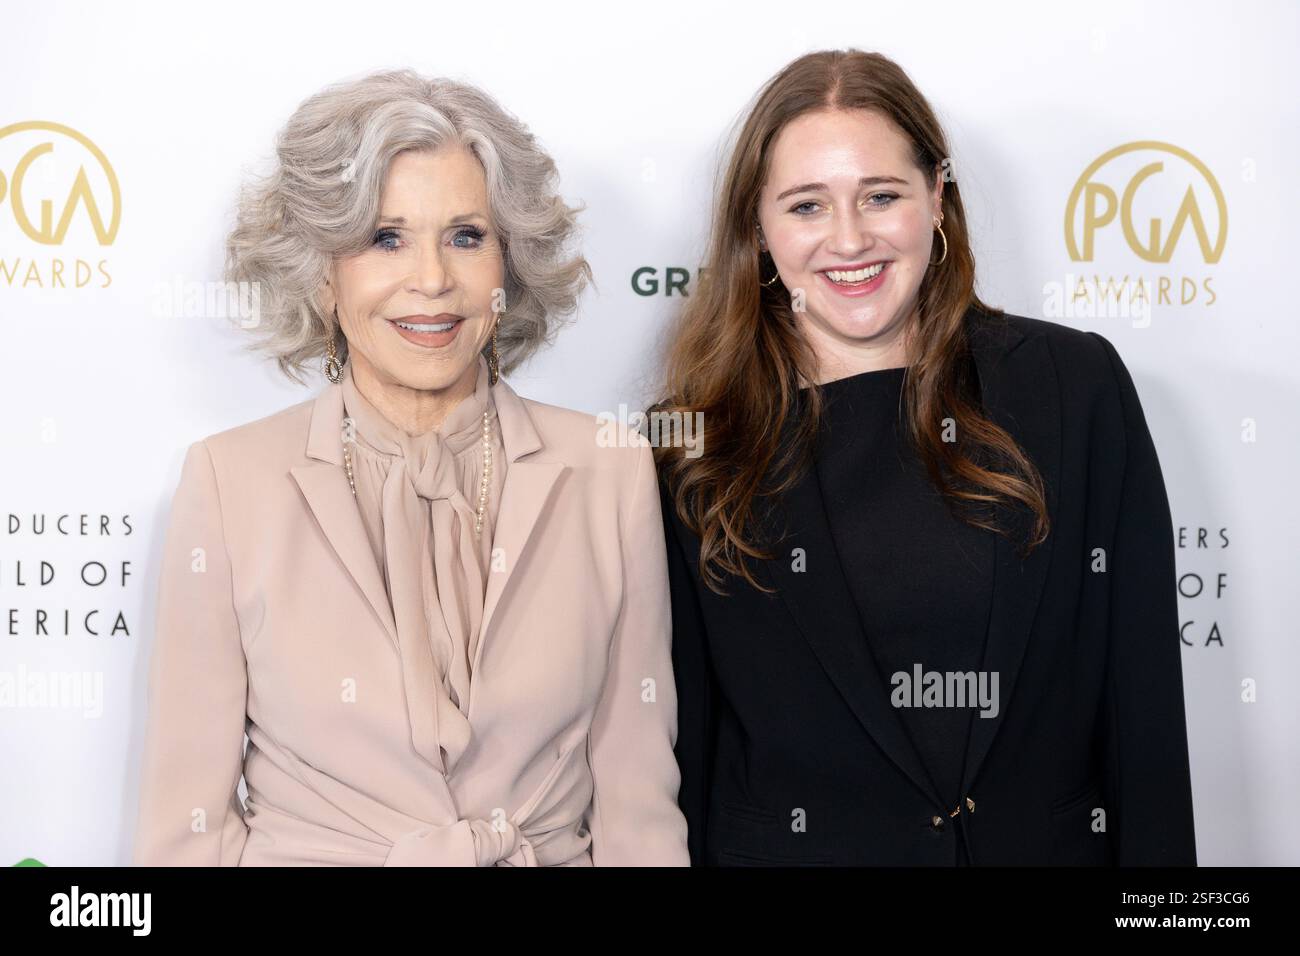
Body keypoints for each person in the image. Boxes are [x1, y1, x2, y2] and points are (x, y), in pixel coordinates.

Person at [133, 69, 689, 866]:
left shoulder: (610, 471)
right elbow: (186, 831)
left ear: (510, 263)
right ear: (324, 274)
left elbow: (639, 811)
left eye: (466, 236)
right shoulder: (228, 483)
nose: (431, 280)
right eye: (384, 238)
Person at [654, 49, 1196, 865]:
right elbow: (681, 753)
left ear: (937, 198)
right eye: (806, 205)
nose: (849, 238)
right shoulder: (688, 447)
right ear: (756, 230)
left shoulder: (1073, 389)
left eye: (881, 195)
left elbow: (1143, 711)